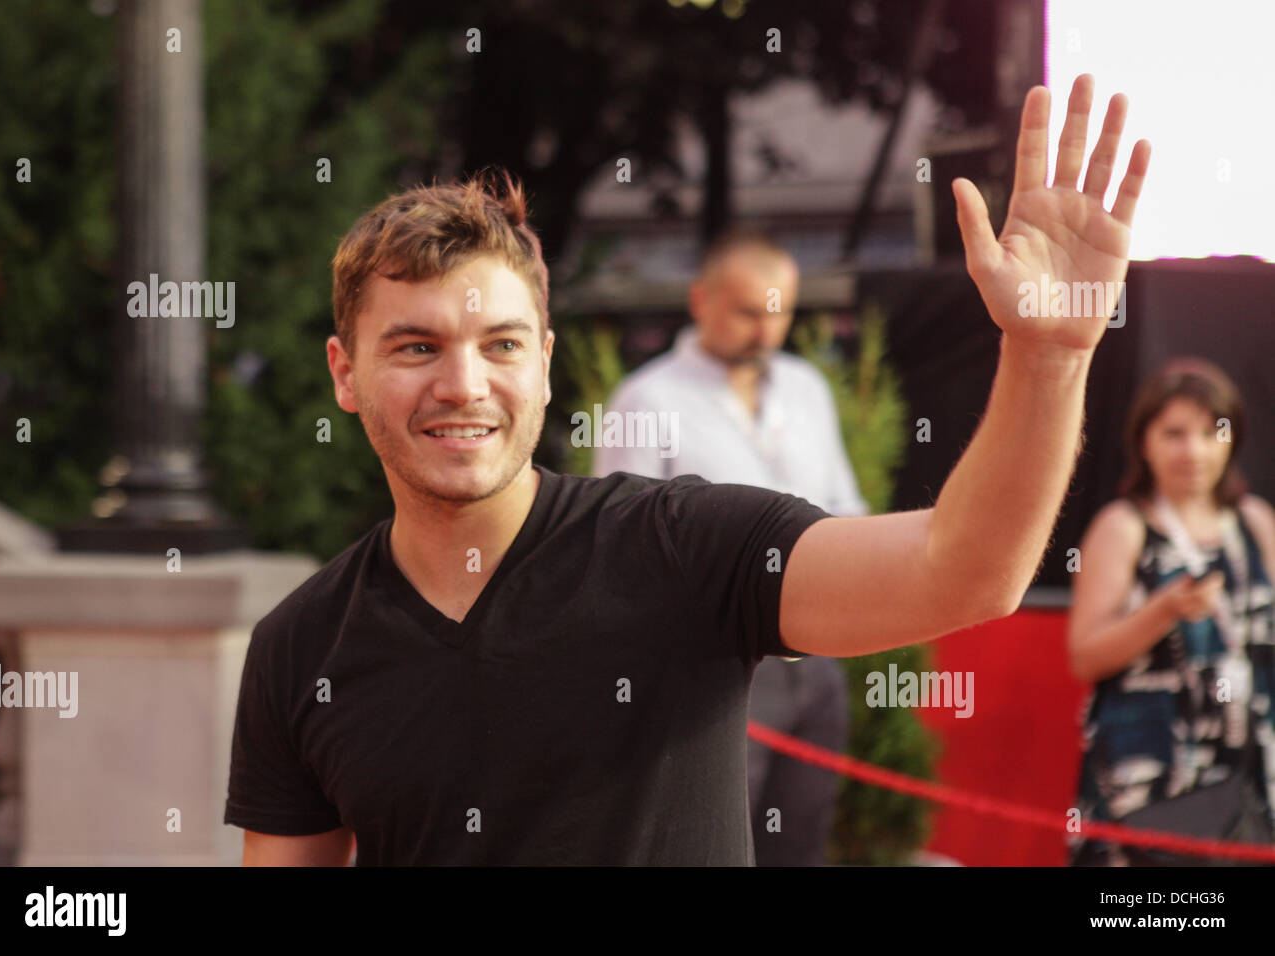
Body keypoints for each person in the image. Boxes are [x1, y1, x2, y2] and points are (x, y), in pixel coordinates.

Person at [224, 74, 1152, 865]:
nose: (463, 385)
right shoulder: (299, 649)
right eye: (417, 346)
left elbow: (966, 569)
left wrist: (1049, 355)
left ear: (544, 364)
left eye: (500, 344)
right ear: (346, 374)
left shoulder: (678, 546)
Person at [593, 228, 865, 866]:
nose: (766, 329)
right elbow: (622, 551)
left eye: (781, 312)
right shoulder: (646, 398)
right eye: (749, 311)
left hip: (817, 654)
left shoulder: (807, 388)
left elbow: (846, 508)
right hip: (712, 666)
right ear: (700, 300)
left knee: (800, 841)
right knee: (712, 846)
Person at [1067, 359, 1275, 865]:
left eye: (1210, 433)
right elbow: (1084, 657)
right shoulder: (1123, 526)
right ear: (1144, 440)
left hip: (1247, 767)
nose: (1194, 451)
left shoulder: (1254, 520)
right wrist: (1160, 613)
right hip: (1150, 775)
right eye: (1175, 434)